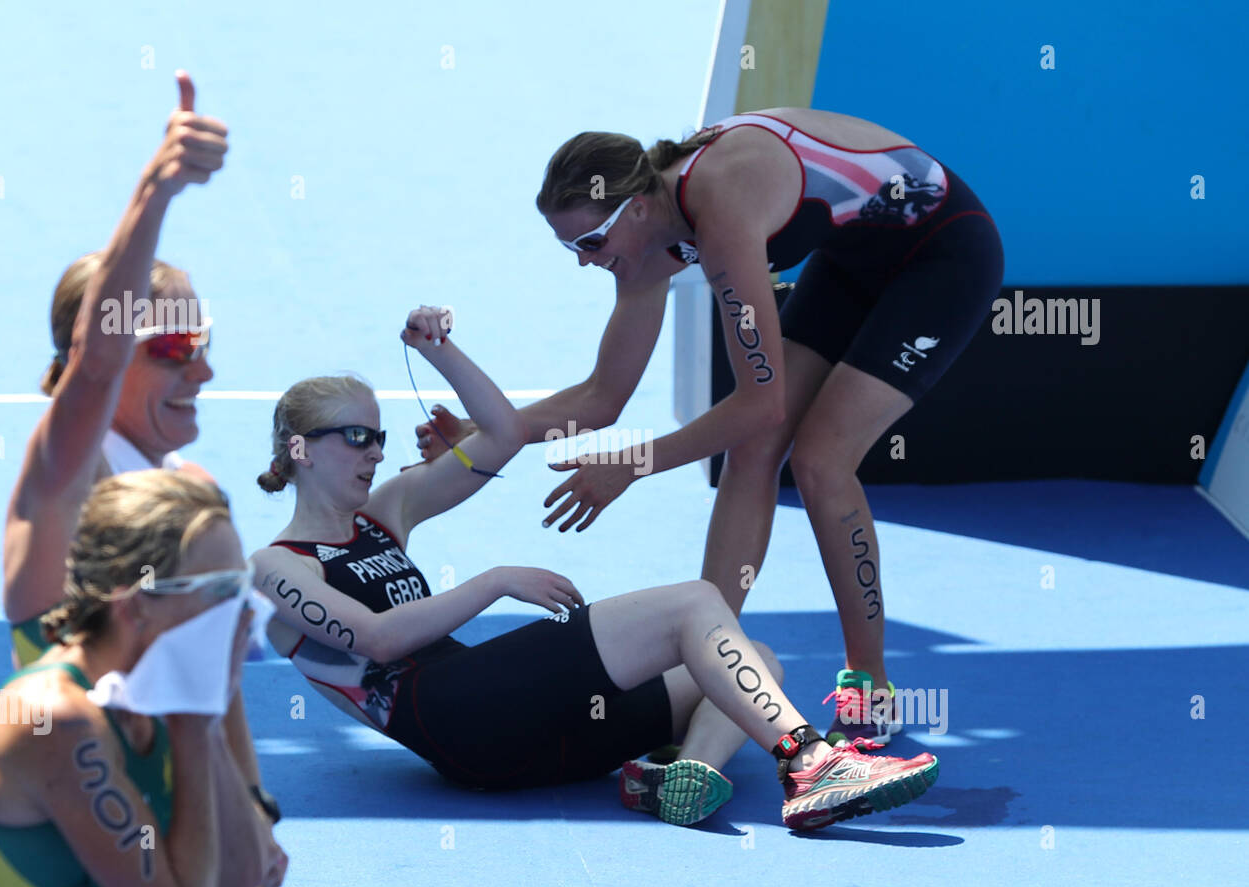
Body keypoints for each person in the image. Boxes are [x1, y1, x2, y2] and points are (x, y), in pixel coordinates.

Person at [414, 107, 1004, 751]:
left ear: (635, 209)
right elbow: (601, 397)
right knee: (752, 453)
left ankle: (870, 687)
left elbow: (762, 402)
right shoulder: (641, 244)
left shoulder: (720, 208)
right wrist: (485, 429)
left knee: (821, 460)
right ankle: (714, 660)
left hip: (941, 253)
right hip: (853, 254)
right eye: (570, 248)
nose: (585, 263)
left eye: (590, 244)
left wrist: (631, 465)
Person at [250, 307, 939, 830]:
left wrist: (438, 350)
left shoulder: (385, 509)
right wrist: (495, 581)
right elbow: (374, 640)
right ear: (301, 451)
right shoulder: (277, 566)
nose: (373, 451)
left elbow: (504, 435)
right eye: (354, 437)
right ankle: (811, 763)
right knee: (694, 604)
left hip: (513, 737)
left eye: (378, 435)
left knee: (751, 657)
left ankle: (681, 775)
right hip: (449, 714)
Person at [0, 71, 284, 887]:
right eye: (173, 350)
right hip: (87, 856)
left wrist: (256, 810)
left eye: (202, 344)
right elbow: (93, 370)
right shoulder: (63, 490)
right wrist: (157, 189)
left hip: (193, 821)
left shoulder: (187, 490)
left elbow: (217, 673)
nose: (205, 369)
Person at [0, 472, 272, 887]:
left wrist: (207, 719)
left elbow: (243, 883)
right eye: (222, 589)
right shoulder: (54, 721)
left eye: (244, 584)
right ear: (138, 603)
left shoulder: (168, 689)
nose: (246, 613)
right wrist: (196, 729)